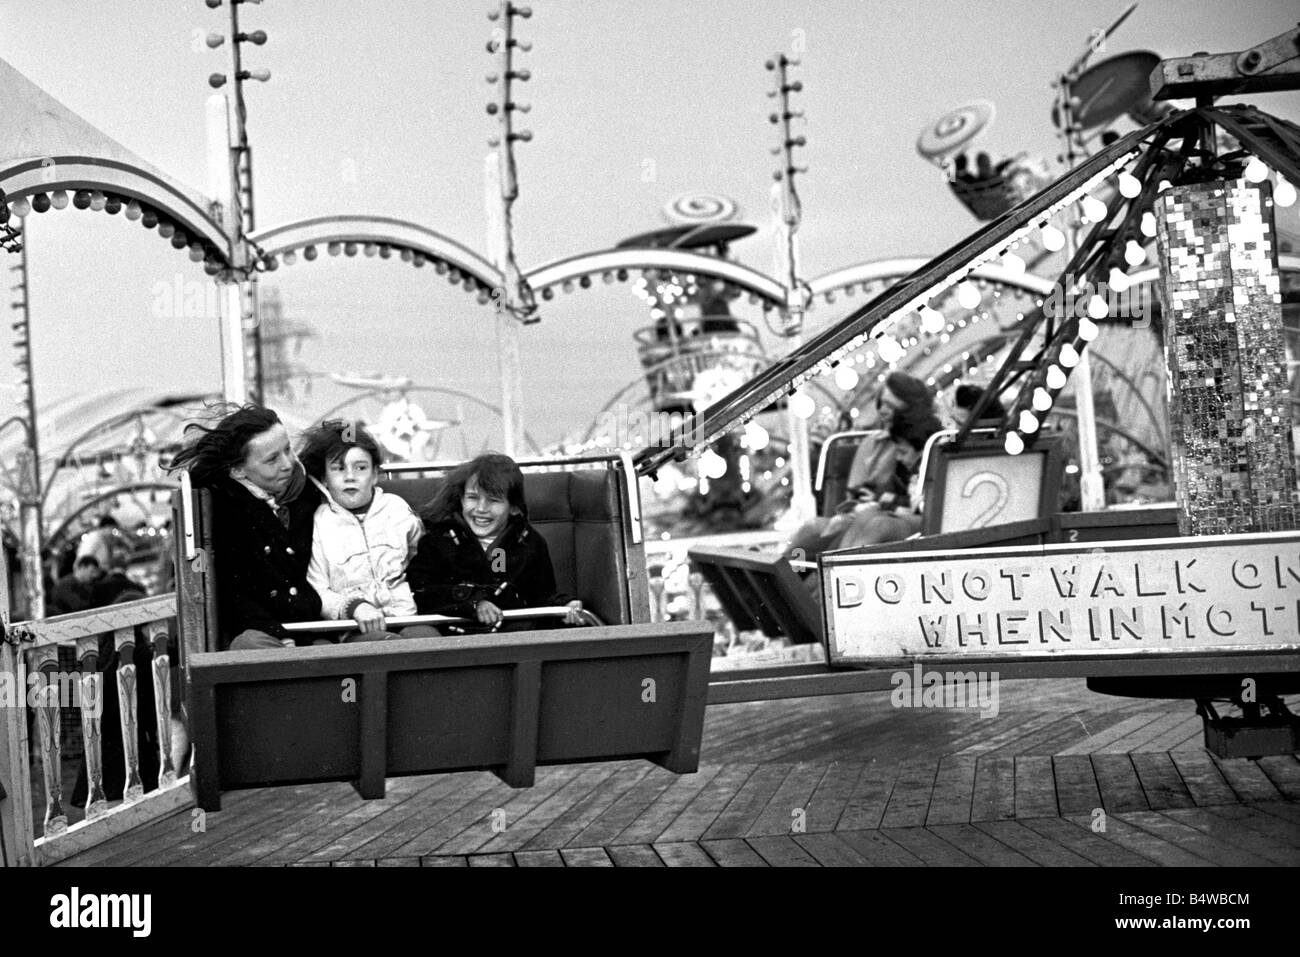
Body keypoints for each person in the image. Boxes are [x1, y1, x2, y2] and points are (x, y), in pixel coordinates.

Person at [168, 404, 322, 650]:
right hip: (261, 630)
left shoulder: (312, 491)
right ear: (238, 470)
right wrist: (275, 632)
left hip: (317, 622)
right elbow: (230, 591)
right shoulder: (221, 513)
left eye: (288, 449)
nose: (287, 464)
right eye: (272, 459)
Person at [407, 452, 585, 632]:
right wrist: (474, 603)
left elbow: (540, 596)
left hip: (511, 636)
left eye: (493, 500)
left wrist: (565, 605)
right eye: (473, 498)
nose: (481, 508)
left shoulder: (530, 543)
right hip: (454, 638)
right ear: (461, 500)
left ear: (514, 508)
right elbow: (423, 595)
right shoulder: (437, 541)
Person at [299, 420, 433, 640]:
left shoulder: (396, 509)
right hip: (355, 627)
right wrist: (354, 607)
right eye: (338, 468)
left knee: (429, 641)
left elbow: (425, 561)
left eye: (360, 468)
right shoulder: (320, 523)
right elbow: (317, 590)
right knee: (388, 645)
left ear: (374, 474)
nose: (350, 476)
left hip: (407, 617)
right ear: (324, 477)